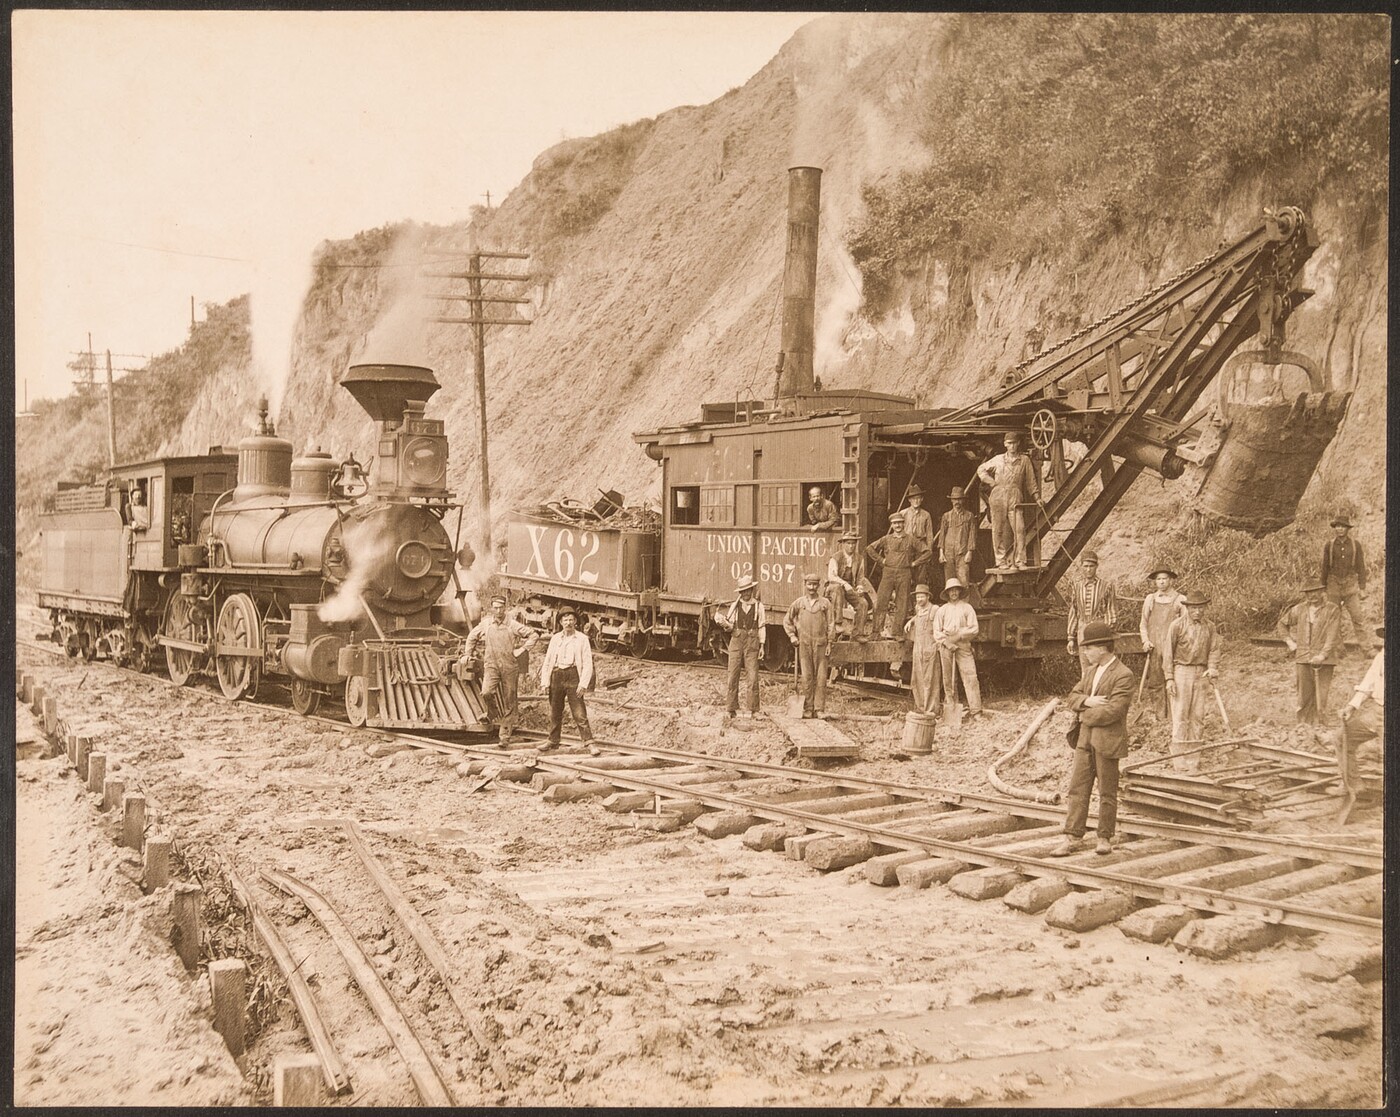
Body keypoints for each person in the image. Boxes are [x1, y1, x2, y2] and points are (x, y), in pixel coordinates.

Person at [1051, 621, 1136, 857]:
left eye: (1088, 648)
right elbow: (1072, 697)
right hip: (1084, 740)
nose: (1085, 652)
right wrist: (1087, 702)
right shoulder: (1091, 672)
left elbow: (1113, 711)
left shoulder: (1123, 675)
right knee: (1077, 789)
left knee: (1107, 791)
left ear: (1102, 648)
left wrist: (1082, 713)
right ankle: (1072, 836)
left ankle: (1104, 837)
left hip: (1108, 740)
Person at [462, 594, 538, 744]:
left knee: (510, 698)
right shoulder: (486, 624)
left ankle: (505, 733)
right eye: (495, 608)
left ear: (505, 608)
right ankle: (493, 711)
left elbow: (533, 635)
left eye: (501, 607)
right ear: (492, 608)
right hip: (491, 665)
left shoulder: (513, 624)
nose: (498, 611)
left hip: (509, 666)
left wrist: (523, 649)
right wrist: (467, 654)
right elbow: (472, 636)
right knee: (486, 692)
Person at [1163, 590, 1220, 772]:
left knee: (1198, 717)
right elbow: (1168, 653)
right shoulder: (1177, 626)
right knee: (1180, 716)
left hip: (1201, 673)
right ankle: (1179, 761)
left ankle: (1193, 759)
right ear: (1187, 608)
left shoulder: (1210, 627)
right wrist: (1170, 678)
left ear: (1205, 608)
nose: (1198, 611)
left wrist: (1212, 667)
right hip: (1182, 672)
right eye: (1194, 608)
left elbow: (1214, 649)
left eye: (1201, 608)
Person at [1278, 581, 1344, 725]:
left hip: (1324, 661)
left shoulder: (1332, 609)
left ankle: (1319, 725)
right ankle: (1303, 727)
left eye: (1315, 592)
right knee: (1303, 696)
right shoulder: (1299, 609)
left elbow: (1332, 635)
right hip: (1302, 658)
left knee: (1321, 695)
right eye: (1309, 593)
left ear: (1322, 592)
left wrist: (1322, 655)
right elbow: (1282, 624)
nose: (1312, 596)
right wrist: (1290, 642)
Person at [976, 431, 1036, 570]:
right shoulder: (998, 459)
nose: (1012, 446)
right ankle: (1001, 561)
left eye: (1014, 443)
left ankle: (1020, 561)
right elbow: (981, 469)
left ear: (1018, 443)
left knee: (1019, 529)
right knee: (998, 530)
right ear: (1005, 444)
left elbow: (1031, 482)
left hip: (1015, 495)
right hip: (998, 496)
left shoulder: (1024, 460)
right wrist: (991, 482)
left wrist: (1037, 497)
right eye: (1009, 443)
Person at [1336, 624, 1384, 795]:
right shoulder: (1381, 656)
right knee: (1342, 738)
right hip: (1378, 712)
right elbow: (1367, 684)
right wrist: (1351, 706)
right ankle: (1354, 787)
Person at [866, 517, 931, 639]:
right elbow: (869, 548)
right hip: (888, 572)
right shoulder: (886, 539)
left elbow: (927, 552)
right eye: (895, 523)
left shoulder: (911, 539)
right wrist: (881, 560)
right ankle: (876, 632)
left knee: (902, 603)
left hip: (904, 573)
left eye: (900, 523)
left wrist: (914, 563)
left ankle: (897, 632)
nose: (898, 525)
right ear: (892, 525)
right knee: (881, 602)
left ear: (903, 524)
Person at [539, 607, 594, 748]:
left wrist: (583, 684)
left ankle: (588, 742)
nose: (568, 623)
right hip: (557, 675)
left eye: (571, 620)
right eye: (565, 620)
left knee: (579, 712)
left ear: (575, 622)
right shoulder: (555, 639)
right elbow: (548, 660)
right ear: (560, 622)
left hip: (573, 675)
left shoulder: (582, 639)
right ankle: (553, 740)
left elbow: (588, 663)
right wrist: (545, 682)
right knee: (555, 711)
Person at [715, 574, 766, 720]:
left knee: (753, 675)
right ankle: (731, 708)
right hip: (736, 641)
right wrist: (723, 623)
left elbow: (762, 626)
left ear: (752, 590)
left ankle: (754, 709)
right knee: (733, 674)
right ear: (740, 592)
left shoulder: (758, 606)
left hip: (752, 642)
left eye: (748, 590)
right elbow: (730, 626)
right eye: (743, 591)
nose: (745, 594)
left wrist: (762, 645)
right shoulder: (735, 606)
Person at [784, 572, 834, 719]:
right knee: (807, 677)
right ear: (805, 585)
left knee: (821, 677)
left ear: (818, 586)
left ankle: (819, 709)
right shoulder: (799, 603)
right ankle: (807, 708)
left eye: (814, 585)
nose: (812, 587)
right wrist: (792, 636)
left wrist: (830, 642)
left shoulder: (825, 604)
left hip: (821, 644)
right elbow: (787, 620)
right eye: (809, 584)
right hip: (804, 645)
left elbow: (831, 624)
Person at [1138, 567, 1186, 719]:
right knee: (1156, 681)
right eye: (1158, 579)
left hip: (1173, 648)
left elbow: (1185, 625)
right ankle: (1160, 716)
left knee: (1173, 680)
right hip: (1154, 647)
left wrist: (1180, 645)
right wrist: (1145, 641)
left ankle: (1174, 716)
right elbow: (1143, 624)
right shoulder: (1150, 599)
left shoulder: (1180, 599)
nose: (1162, 581)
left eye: (1164, 578)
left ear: (1171, 580)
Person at [934, 577, 982, 719]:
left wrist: (959, 635)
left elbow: (974, 629)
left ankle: (976, 710)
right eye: (951, 590)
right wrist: (947, 642)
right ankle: (952, 709)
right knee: (948, 679)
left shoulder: (967, 608)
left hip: (963, 646)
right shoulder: (942, 610)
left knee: (970, 676)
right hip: (946, 646)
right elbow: (936, 631)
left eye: (956, 590)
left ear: (960, 592)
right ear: (947, 593)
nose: (953, 593)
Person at [1066, 550, 1118, 669]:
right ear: (1081, 567)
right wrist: (1071, 638)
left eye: (1091, 566)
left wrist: (1106, 632)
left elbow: (1111, 611)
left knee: (1101, 666)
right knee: (1086, 668)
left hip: (1099, 629)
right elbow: (1074, 611)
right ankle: (1087, 688)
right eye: (1085, 566)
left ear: (1096, 566)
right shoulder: (1076, 586)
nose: (1088, 570)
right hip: (1082, 630)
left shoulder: (1106, 586)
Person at [1320, 516, 1367, 638]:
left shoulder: (1355, 545)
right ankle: (1338, 651)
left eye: (1343, 526)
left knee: (1358, 617)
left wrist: (1362, 588)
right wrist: (1323, 589)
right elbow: (1324, 568)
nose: (1340, 529)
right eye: (1337, 526)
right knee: (1333, 619)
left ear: (1347, 529)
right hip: (1333, 585)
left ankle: (1367, 649)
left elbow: (1361, 566)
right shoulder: (1329, 545)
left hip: (1350, 585)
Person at [903, 584, 941, 717]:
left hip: (930, 647)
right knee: (917, 678)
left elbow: (941, 625)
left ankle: (931, 710)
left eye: (921, 596)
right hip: (918, 648)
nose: (919, 599)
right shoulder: (918, 609)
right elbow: (918, 616)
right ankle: (920, 707)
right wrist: (911, 621)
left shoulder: (935, 609)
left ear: (928, 596)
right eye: (917, 597)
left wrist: (938, 642)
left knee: (930, 679)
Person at [827, 533, 873, 640]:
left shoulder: (859, 558)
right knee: (838, 588)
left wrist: (860, 586)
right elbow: (831, 576)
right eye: (848, 543)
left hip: (849, 588)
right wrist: (845, 583)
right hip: (834, 587)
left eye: (853, 543)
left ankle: (858, 633)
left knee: (863, 603)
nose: (851, 546)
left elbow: (860, 576)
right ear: (843, 544)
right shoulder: (835, 557)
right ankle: (838, 624)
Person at [938, 485, 977, 586]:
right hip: (948, 553)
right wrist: (941, 553)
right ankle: (951, 602)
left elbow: (972, 535)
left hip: (962, 553)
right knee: (950, 582)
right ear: (951, 501)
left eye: (959, 499)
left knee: (963, 581)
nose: (957, 502)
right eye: (955, 499)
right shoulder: (946, 516)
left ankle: (964, 602)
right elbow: (942, 535)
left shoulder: (969, 516)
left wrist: (970, 552)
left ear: (963, 500)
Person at [900, 484, 935, 589]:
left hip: (921, 545)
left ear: (922, 499)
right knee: (906, 573)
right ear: (909, 500)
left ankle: (919, 598)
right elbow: (897, 532)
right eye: (914, 498)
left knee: (921, 574)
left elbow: (929, 534)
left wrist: (929, 551)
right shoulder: (903, 513)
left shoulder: (926, 515)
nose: (916, 501)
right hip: (907, 546)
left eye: (918, 498)